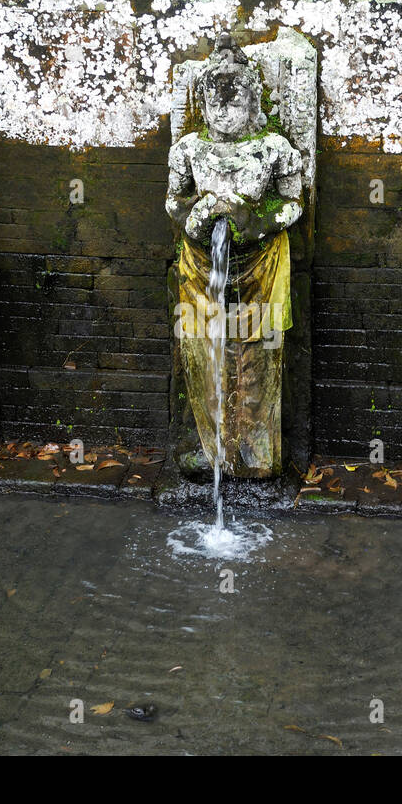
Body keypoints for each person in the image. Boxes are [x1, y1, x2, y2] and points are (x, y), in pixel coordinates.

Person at [166, 34, 304, 478]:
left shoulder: (272, 149)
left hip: (260, 262)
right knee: (201, 345)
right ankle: (209, 446)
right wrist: (195, 216)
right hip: (201, 263)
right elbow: (174, 201)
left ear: (253, 101)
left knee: (258, 348)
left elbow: (294, 201)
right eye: (214, 101)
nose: (223, 110)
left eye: (234, 99)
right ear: (202, 103)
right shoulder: (189, 149)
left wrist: (258, 222)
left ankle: (254, 449)